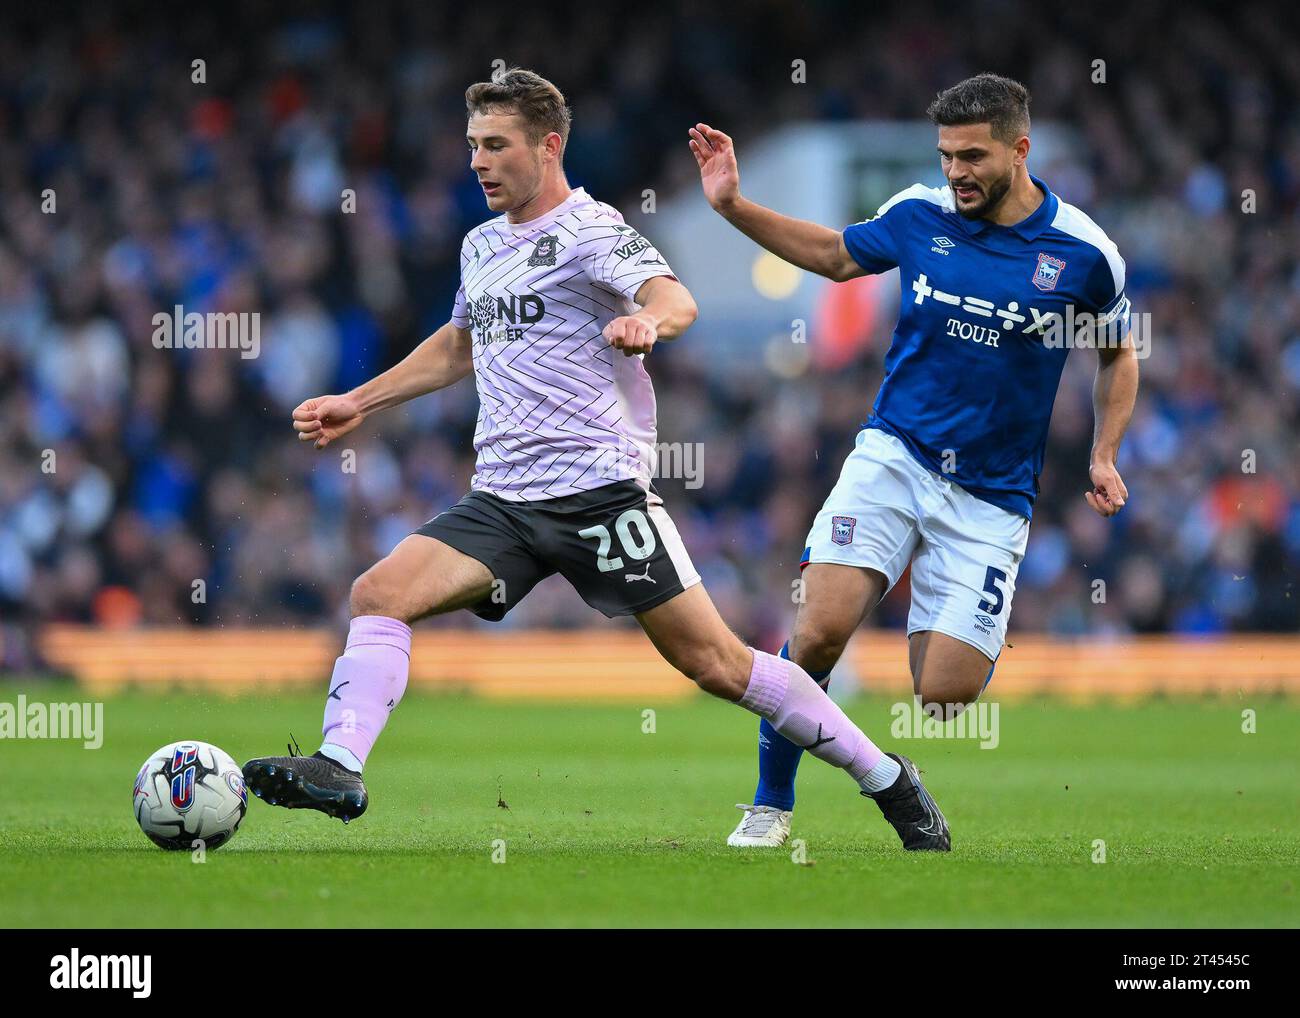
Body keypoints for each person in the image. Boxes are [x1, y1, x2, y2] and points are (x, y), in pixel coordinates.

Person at [242, 68, 949, 852]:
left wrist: (648, 322)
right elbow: (458, 347)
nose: (478, 161)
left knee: (715, 663)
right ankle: (341, 765)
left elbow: (676, 298)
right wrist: (359, 402)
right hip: (504, 502)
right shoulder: (481, 245)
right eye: (473, 144)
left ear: (547, 148)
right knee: (379, 592)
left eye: (496, 145)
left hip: (600, 498)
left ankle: (887, 778)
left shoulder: (592, 229)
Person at [689, 73, 1137, 848]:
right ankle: (770, 802)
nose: (956, 172)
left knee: (943, 696)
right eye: (946, 156)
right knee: (820, 633)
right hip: (895, 455)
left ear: (1020, 149)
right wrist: (732, 205)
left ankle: (914, 732)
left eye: (972, 156)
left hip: (993, 496)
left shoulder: (1085, 255)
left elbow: (1118, 353)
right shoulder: (918, 213)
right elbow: (833, 256)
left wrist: (1104, 452)